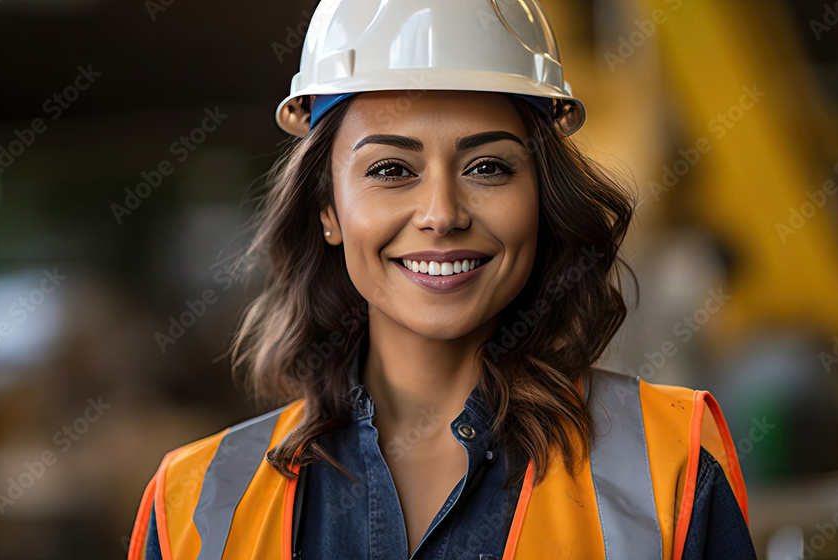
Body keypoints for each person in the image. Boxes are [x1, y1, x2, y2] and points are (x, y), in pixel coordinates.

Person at [128, 1, 757, 558]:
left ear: (541, 197)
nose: (441, 214)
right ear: (327, 209)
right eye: (392, 169)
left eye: (487, 166)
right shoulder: (194, 509)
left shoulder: (668, 463)